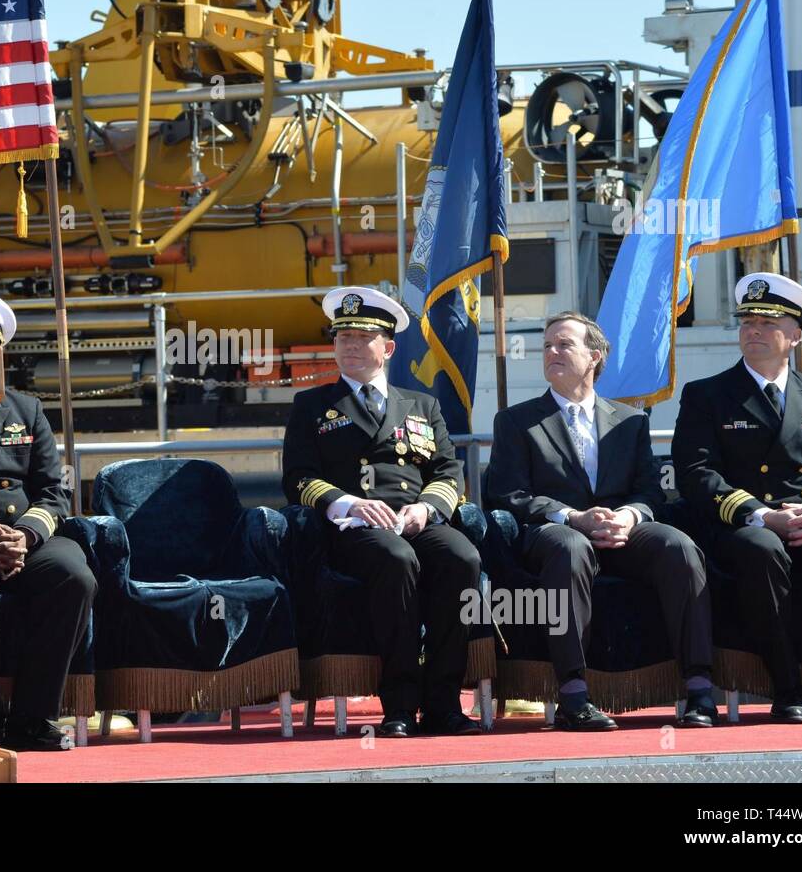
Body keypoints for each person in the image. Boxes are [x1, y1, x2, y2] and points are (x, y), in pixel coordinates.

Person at [486, 312, 717, 730]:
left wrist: (629, 517)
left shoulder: (630, 420)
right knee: (569, 547)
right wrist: (573, 517)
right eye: (547, 346)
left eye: (563, 345)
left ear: (593, 357)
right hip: (555, 533)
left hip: (621, 532)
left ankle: (700, 688)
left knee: (679, 547)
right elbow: (506, 494)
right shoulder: (516, 421)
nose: (551, 352)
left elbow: (650, 491)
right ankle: (574, 694)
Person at [282, 286, 481, 738]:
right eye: (342, 338)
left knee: (462, 559)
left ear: (387, 348)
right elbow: (297, 478)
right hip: (353, 528)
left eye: (362, 337)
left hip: (414, 519)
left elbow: (450, 471)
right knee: (396, 559)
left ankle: (443, 705)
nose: (350, 346)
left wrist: (425, 510)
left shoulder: (422, 404)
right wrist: (350, 502)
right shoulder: (311, 406)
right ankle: (399, 705)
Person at [673, 274, 802, 723]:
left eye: (768, 321)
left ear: (796, 335)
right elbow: (695, 473)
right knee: (760, 550)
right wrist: (762, 516)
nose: (753, 330)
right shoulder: (708, 395)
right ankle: (788, 692)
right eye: (747, 321)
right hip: (747, 526)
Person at [0, 290, 96, 751]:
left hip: (23, 537)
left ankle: (34, 718)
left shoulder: (24, 409)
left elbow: (55, 491)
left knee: (73, 575)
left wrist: (23, 536)